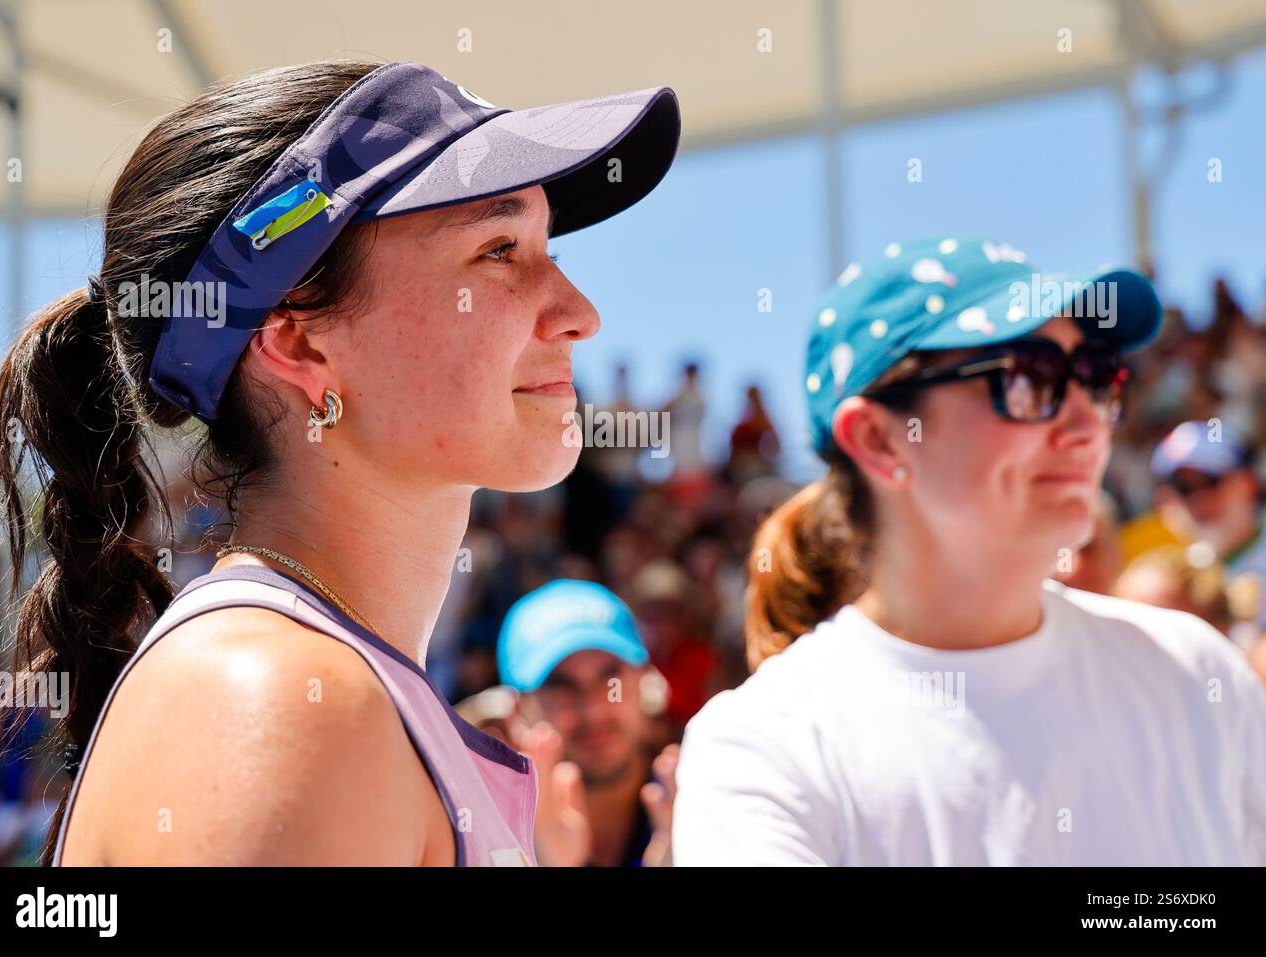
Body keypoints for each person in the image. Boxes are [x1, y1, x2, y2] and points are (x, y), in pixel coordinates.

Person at [0, 60, 680, 866]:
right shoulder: (277, 699)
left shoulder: (310, 684)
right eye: (498, 248)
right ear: (299, 340)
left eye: (544, 247)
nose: (579, 314)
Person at [672, 237, 1266, 865]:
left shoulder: (1196, 672)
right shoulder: (765, 747)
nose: (1087, 423)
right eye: (1029, 378)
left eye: (1096, 377)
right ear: (877, 439)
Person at [497, 580, 676, 866]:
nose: (592, 710)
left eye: (609, 678)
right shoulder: (483, 837)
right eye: (561, 686)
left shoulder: (703, 801)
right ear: (518, 712)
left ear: (644, 679)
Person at [1149, 420, 1266, 629]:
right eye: (1183, 487)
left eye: (1210, 481)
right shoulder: (1179, 575)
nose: (1198, 499)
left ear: (1249, 483)